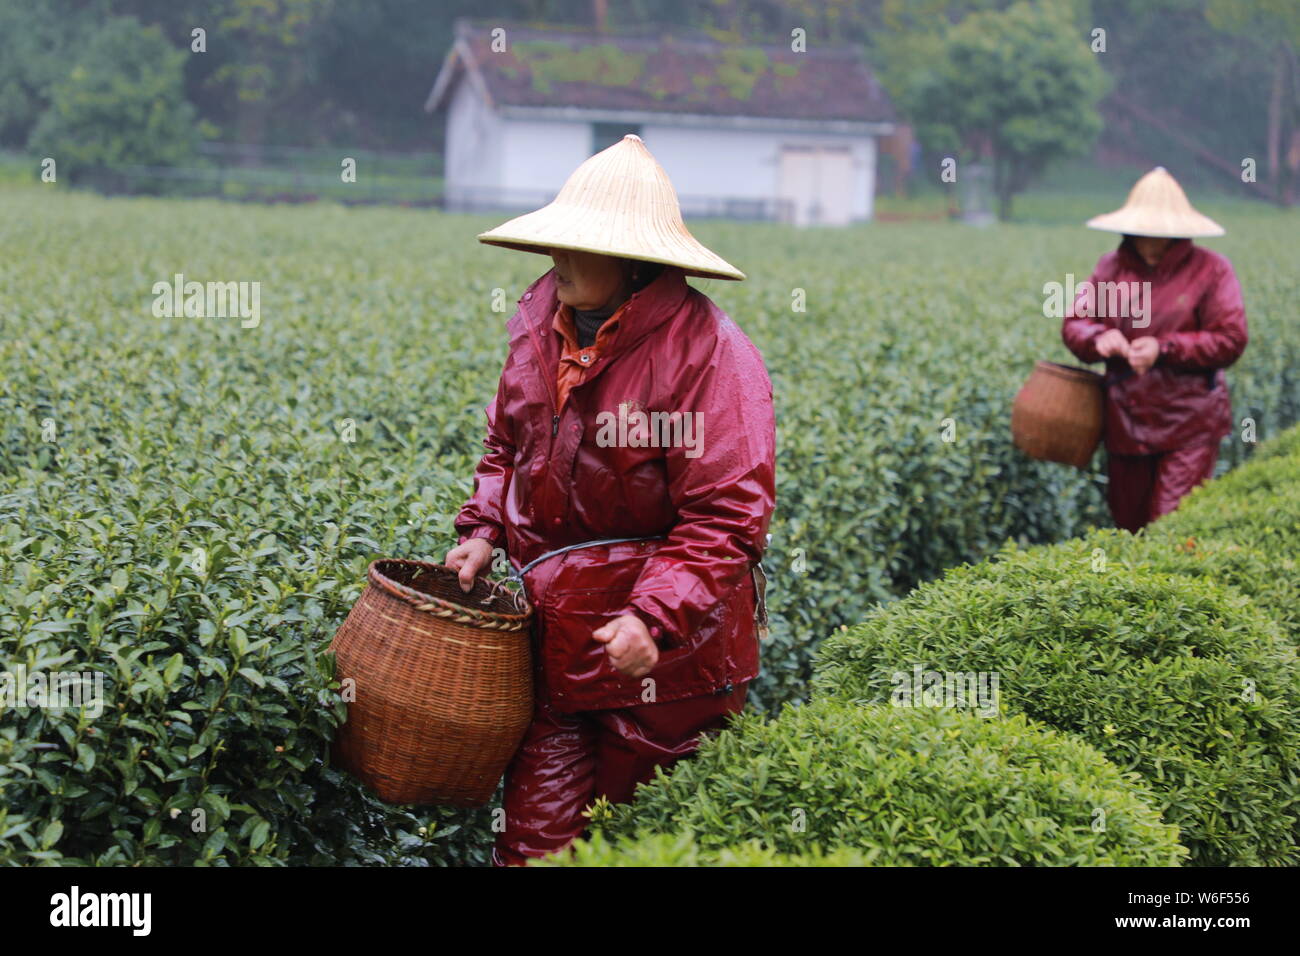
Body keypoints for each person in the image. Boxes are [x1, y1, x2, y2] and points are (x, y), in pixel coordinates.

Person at [444, 134, 776, 866]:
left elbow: (726, 514)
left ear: (632, 262)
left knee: (641, 846)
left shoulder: (711, 355)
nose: (555, 259)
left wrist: (652, 618)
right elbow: (508, 444)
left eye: (577, 245)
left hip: (668, 665)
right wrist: (484, 526)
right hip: (556, 640)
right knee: (532, 846)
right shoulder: (538, 326)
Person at [1062, 166, 1248, 532]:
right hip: (1125, 417)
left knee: (1168, 524)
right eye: (1142, 232)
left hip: (1189, 421)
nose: (1148, 241)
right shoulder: (1111, 267)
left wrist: (1164, 349)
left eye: (1158, 233)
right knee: (1129, 525)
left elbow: (1230, 338)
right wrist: (1098, 337)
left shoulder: (1211, 270)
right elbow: (1074, 323)